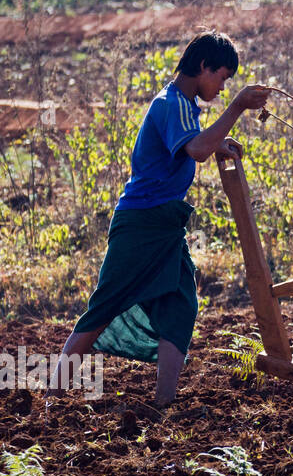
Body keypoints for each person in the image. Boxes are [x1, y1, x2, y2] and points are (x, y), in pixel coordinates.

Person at [50, 30, 271, 407]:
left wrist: (217, 140)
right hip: (141, 222)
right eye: (221, 77)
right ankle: (53, 394)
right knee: (105, 305)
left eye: (227, 84)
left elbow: (195, 144)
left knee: (180, 304)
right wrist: (235, 107)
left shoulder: (183, 105)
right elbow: (197, 149)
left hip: (165, 224)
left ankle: (163, 401)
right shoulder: (172, 104)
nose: (222, 86)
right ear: (203, 66)